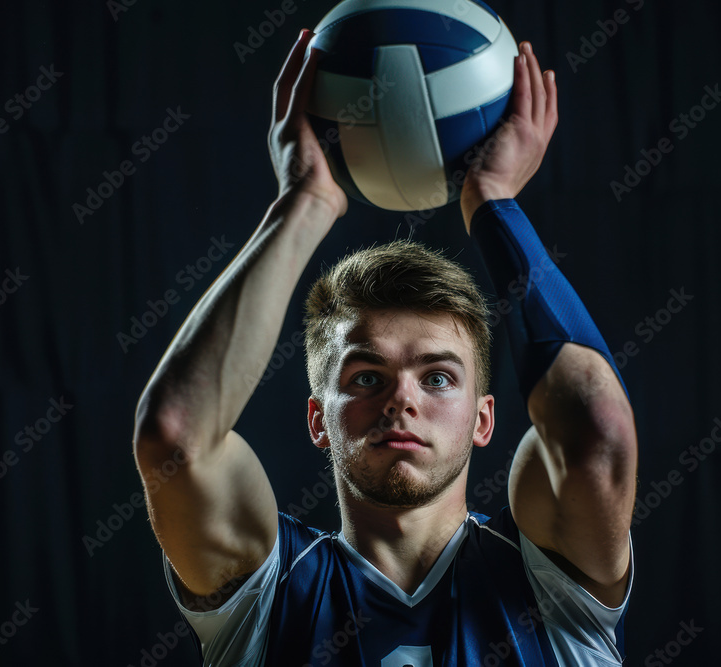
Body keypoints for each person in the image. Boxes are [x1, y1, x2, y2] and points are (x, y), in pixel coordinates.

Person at [133, 29, 638, 666]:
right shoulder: (268, 593)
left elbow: (596, 430)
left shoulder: (552, 580)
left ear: (484, 420)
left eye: (437, 378)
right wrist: (305, 201)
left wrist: (494, 201)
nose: (401, 399)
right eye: (367, 377)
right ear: (318, 418)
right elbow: (175, 435)